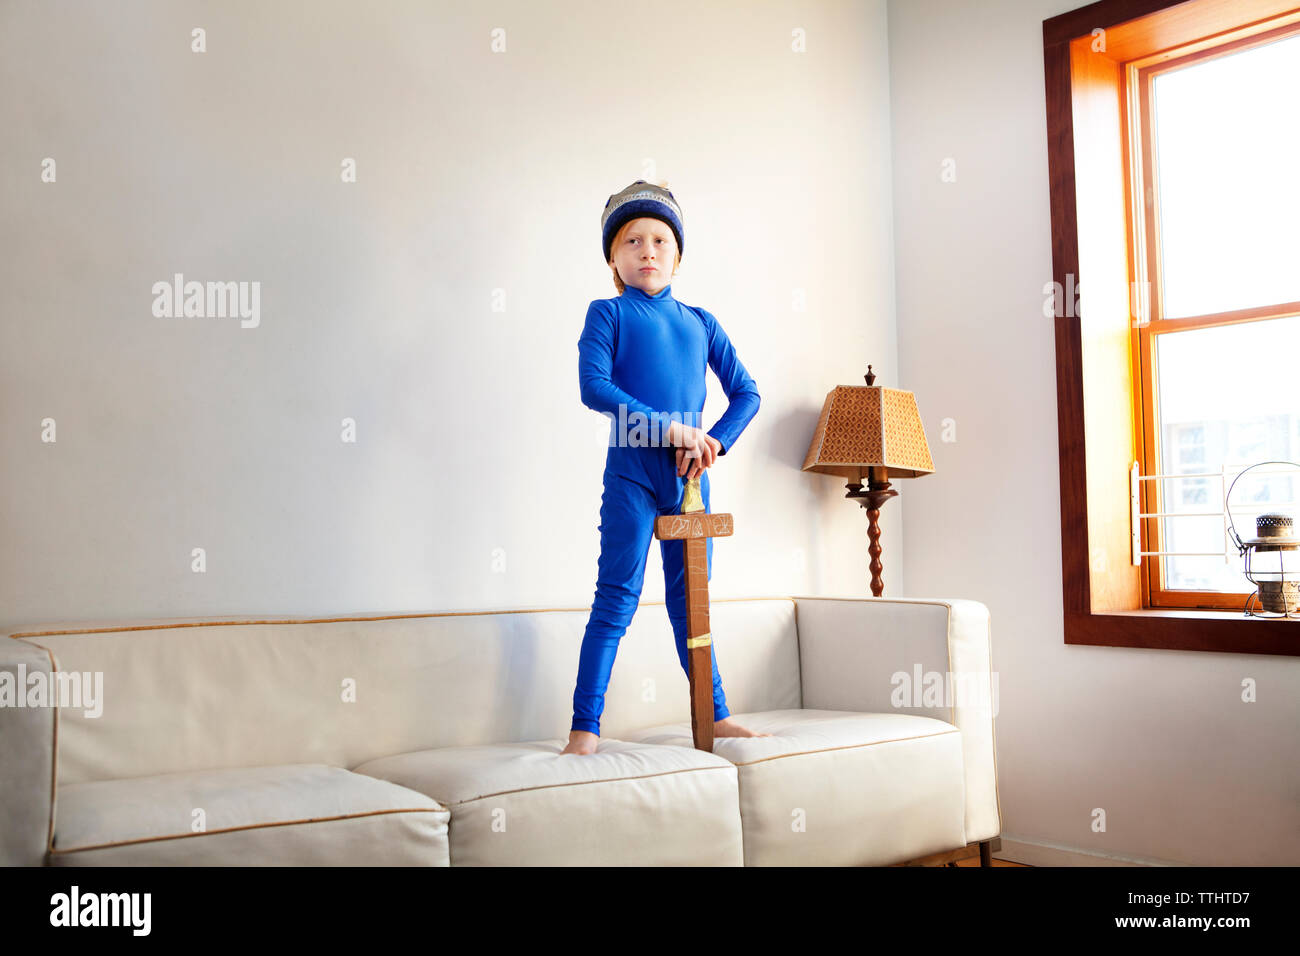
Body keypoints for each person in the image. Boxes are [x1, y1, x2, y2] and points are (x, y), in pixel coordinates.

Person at [561, 180, 767, 756]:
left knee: (691, 603)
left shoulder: (700, 321)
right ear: (613, 258)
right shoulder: (608, 313)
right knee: (616, 598)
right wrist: (674, 429)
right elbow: (593, 386)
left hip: (691, 483)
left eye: (659, 240)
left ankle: (716, 714)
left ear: (677, 254)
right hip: (630, 473)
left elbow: (747, 393)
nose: (646, 251)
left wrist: (714, 443)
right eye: (632, 241)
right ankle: (584, 729)